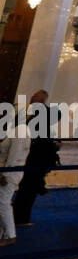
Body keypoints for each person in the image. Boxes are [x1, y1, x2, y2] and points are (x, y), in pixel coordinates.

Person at [12, 91, 58, 227]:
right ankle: (19, 218)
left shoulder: (32, 117)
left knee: (25, 190)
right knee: (27, 190)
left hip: (29, 160)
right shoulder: (34, 120)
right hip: (33, 161)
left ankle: (17, 216)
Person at [0, 114, 30, 244]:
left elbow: (14, 155)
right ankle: (4, 233)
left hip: (10, 172)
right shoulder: (20, 130)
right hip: (10, 170)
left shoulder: (20, 131)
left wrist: (4, 174)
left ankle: (10, 235)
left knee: (3, 203)